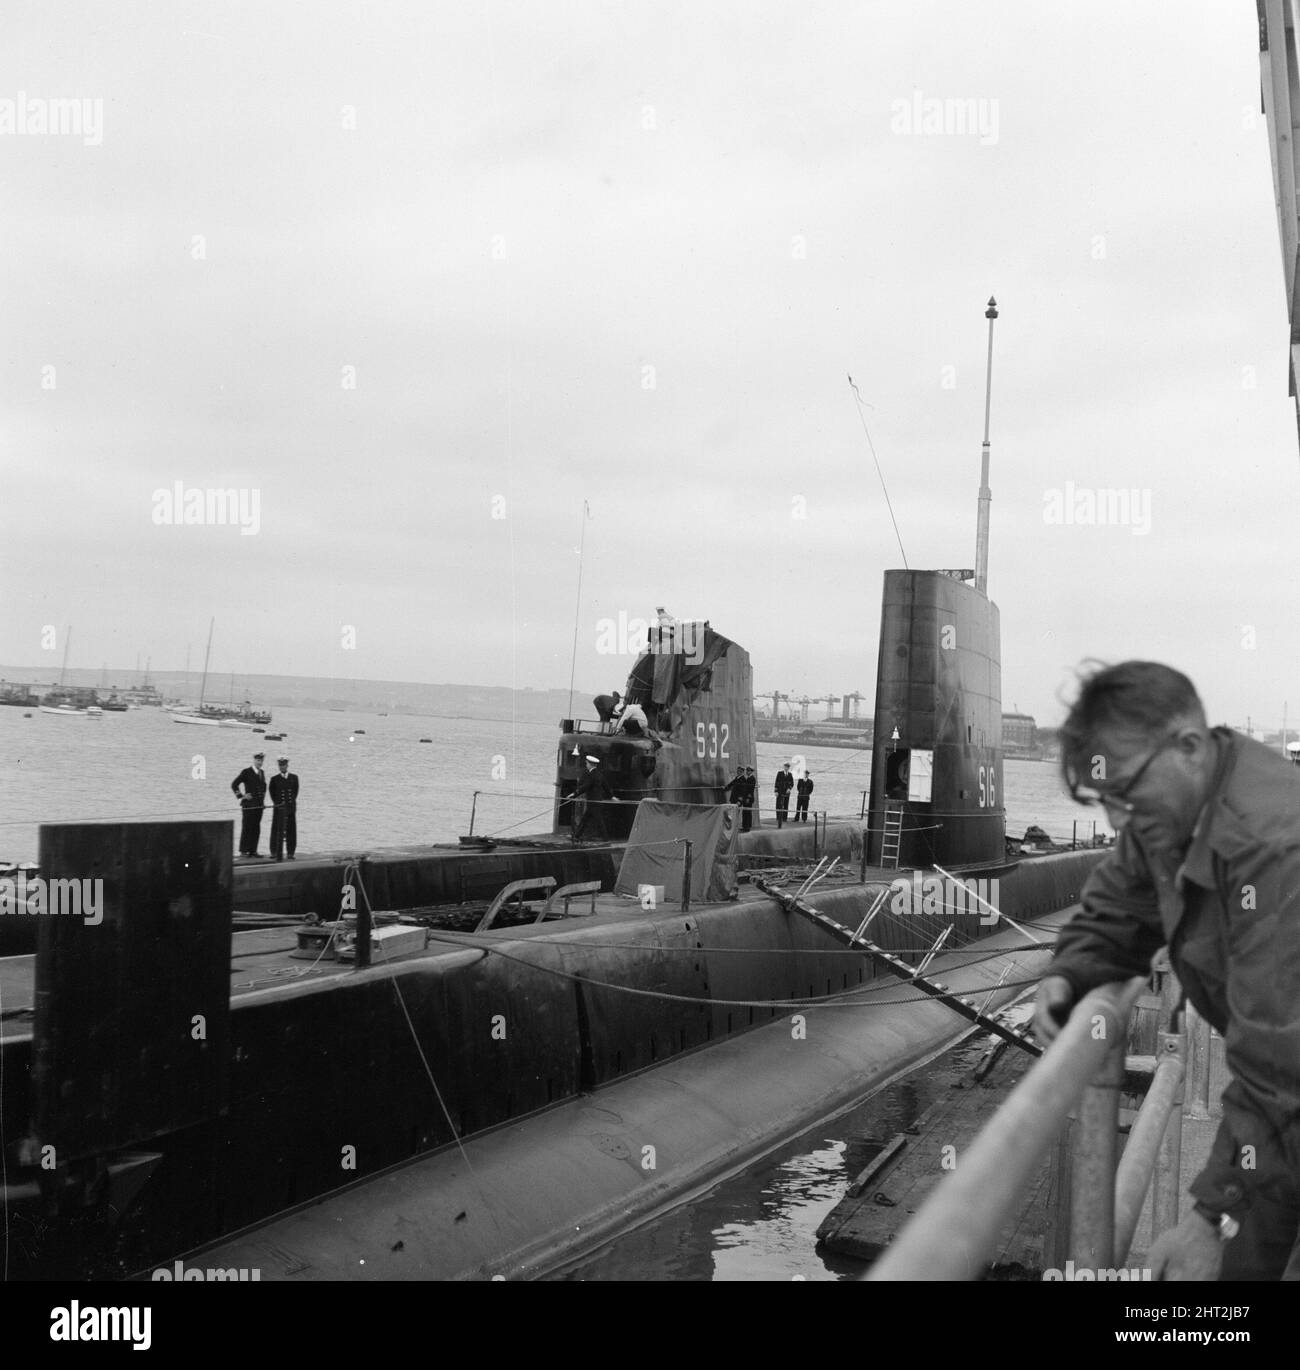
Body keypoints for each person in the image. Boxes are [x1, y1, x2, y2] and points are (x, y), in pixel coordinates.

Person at [1033, 660, 1300, 1281]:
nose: (1117, 821)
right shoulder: (1171, 810)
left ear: (1187, 746)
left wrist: (1211, 1220)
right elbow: (1117, 907)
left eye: (1124, 795)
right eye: (1105, 802)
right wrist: (1067, 975)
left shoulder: (1273, 846)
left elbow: (1282, 1064)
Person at [231, 750, 268, 858]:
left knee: (256, 828)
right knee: (247, 827)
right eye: (258, 760)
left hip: (258, 806)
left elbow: (263, 788)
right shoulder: (246, 772)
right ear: (254, 760)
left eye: (261, 760)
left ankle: (253, 850)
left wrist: (263, 802)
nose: (260, 763)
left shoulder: (262, 773)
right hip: (248, 805)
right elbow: (234, 784)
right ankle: (243, 851)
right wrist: (241, 796)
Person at [572, 756, 618, 842]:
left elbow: (586, 786)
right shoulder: (599, 774)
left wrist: (575, 793)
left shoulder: (592, 775)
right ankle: (577, 836)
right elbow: (606, 786)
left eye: (587, 763)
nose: (586, 765)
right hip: (595, 802)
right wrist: (612, 796)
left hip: (594, 803)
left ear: (590, 764)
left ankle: (606, 839)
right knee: (585, 820)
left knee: (598, 821)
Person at [269, 754, 300, 861]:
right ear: (279, 766)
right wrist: (278, 804)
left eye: (284, 765)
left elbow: (295, 792)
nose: (282, 767)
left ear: (287, 765)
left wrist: (289, 804)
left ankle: (290, 852)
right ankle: (274, 852)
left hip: (290, 808)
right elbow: (272, 793)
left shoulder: (294, 778)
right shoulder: (274, 779)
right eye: (280, 765)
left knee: (291, 831)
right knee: (276, 831)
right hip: (279, 809)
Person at [774, 762, 794, 827]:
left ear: (789, 768)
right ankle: (778, 817)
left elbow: (792, 783)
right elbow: (776, 782)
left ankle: (784, 818)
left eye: (788, 767)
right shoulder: (779, 773)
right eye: (785, 766)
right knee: (779, 804)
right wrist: (776, 791)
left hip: (786, 792)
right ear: (784, 767)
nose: (786, 768)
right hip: (780, 791)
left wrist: (789, 788)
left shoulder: (790, 774)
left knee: (785, 805)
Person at [741, 766, 757, 831]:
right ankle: (744, 826)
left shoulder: (752, 779)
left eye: (748, 771)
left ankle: (748, 827)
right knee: (744, 812)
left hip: (749, 798)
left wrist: (748, 798)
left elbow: (751, 790)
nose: (747, 772)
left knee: (747, 812)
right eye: (747, 771)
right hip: (745, 798)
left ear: (751, 771)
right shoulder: (748, 778)